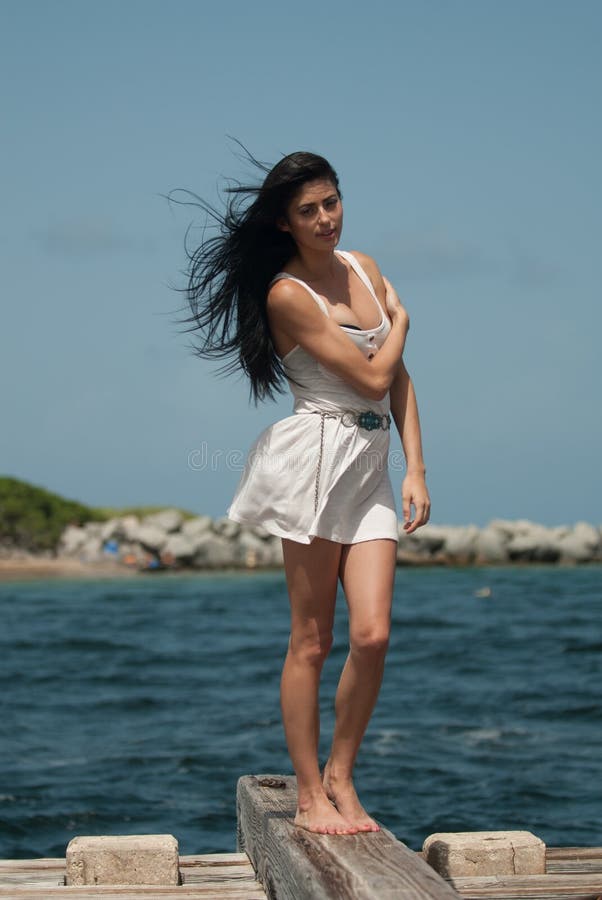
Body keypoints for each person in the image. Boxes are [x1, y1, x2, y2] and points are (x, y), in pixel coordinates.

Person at [175, 148, 430, 836]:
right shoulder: (289, 294)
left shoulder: (364, 269)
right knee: (311, 642)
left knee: (372, 635)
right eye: (308, 211)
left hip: (371, 468)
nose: (325, 219)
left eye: (331, 203)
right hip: (316, 466)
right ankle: (310, 793)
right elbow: (375, 375)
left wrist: (415, 469)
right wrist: (404, 323)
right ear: (285, 223)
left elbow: (399, 384)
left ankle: (343, 775)